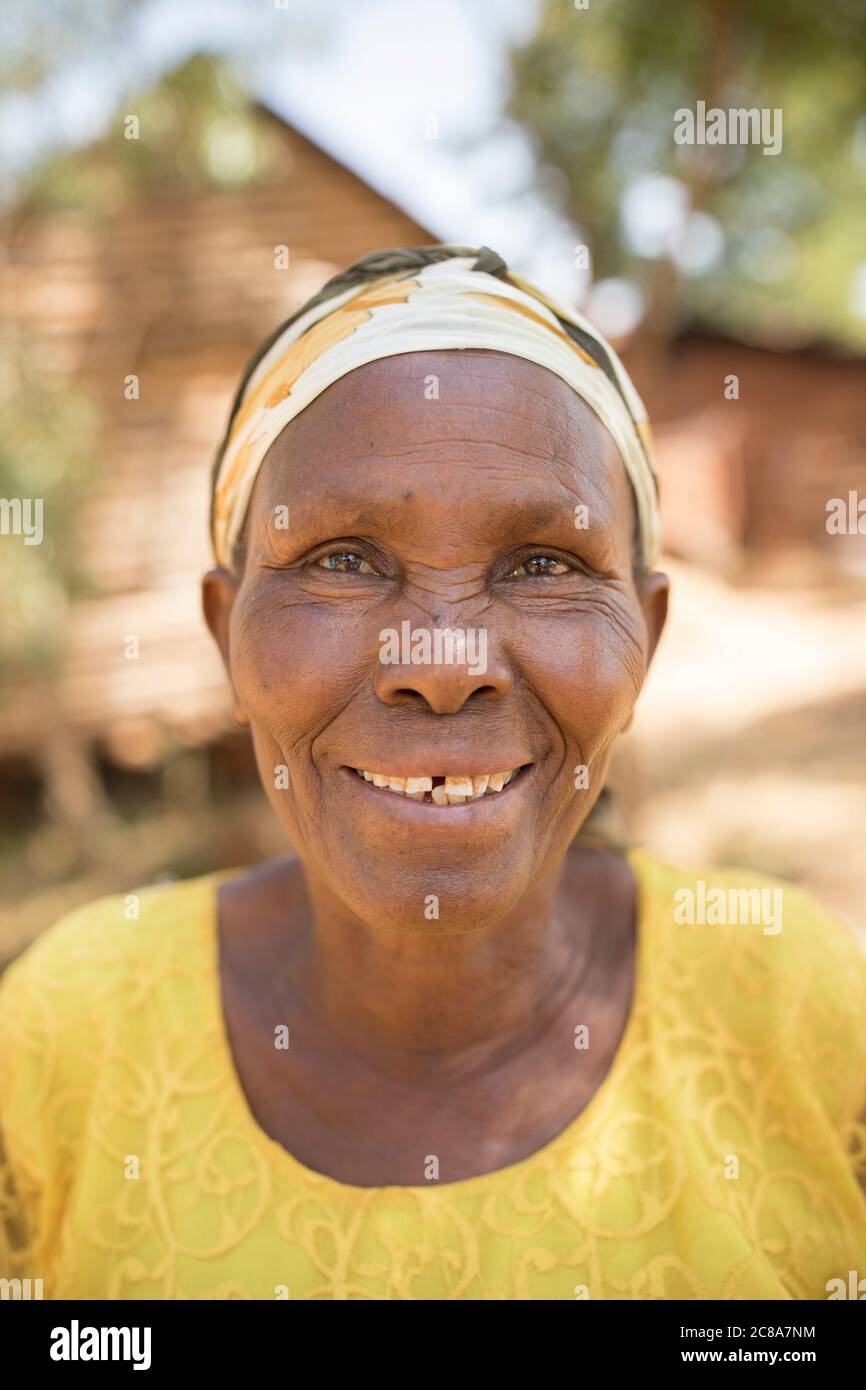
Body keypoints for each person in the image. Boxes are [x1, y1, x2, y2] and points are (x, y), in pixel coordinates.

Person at [1, 245, 864, 1301]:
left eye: (543, 565)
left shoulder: (803, 1014)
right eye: (343, 560)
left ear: (643, 639)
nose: (443, 664)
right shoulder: (64, 1037)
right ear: (229, 638)